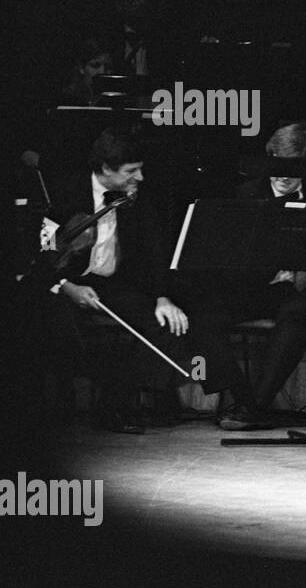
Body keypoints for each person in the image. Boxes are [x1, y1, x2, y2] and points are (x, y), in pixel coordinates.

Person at [29, 128, 190, 433]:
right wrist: (66, 286)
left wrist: (162, 297)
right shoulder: (61, 195)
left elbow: (156, 251)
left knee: (165, 325)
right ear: (105, 169)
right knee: (63, 331)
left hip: (109, 284)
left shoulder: (138, 197)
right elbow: (43, 250)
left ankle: (114, 403)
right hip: (61, 283)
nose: (139, 178)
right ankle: (61, 406)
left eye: (140, 169)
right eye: (131, 171)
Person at [184, 124, 306, 430]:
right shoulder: (244, 195)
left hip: (294, 293)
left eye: (291, 169)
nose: (282, 176)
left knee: (300, 313)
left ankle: (255, 405)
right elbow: (229, 261)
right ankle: (245, 399)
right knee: (201, 316)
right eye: (276, 165)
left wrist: (304, 267)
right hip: (251, 288)